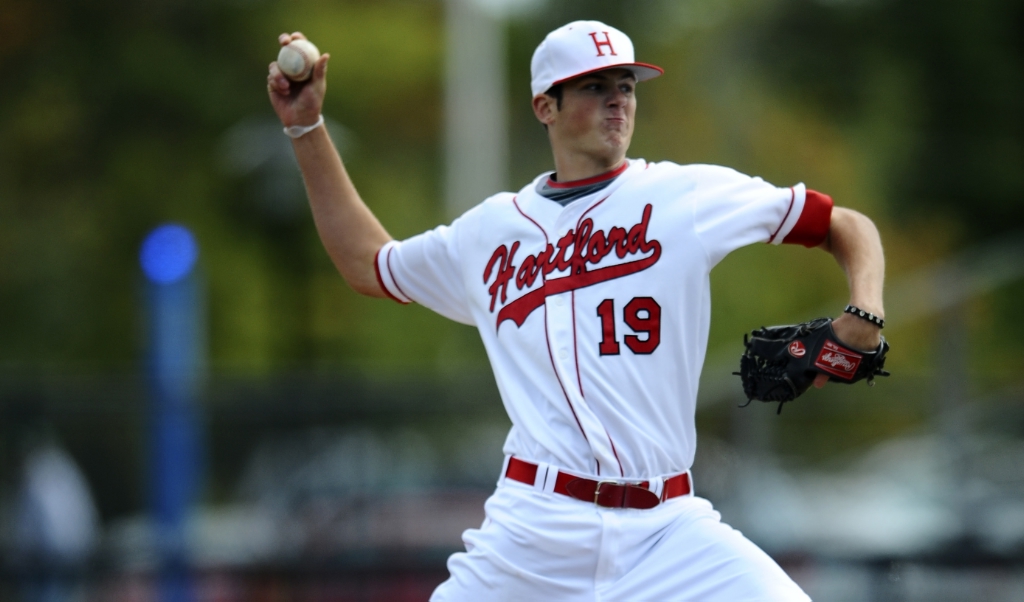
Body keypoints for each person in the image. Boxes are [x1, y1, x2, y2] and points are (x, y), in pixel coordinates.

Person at [267, 20, 885, 601]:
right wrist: (306, 129)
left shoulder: (683, 196)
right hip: (534, 531)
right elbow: (370, 264)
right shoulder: (490, 233)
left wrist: (865, 312)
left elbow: (845, 225)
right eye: (594, 87)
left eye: (625, 86)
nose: (618, 101)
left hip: (668, 529)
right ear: (545, 106)